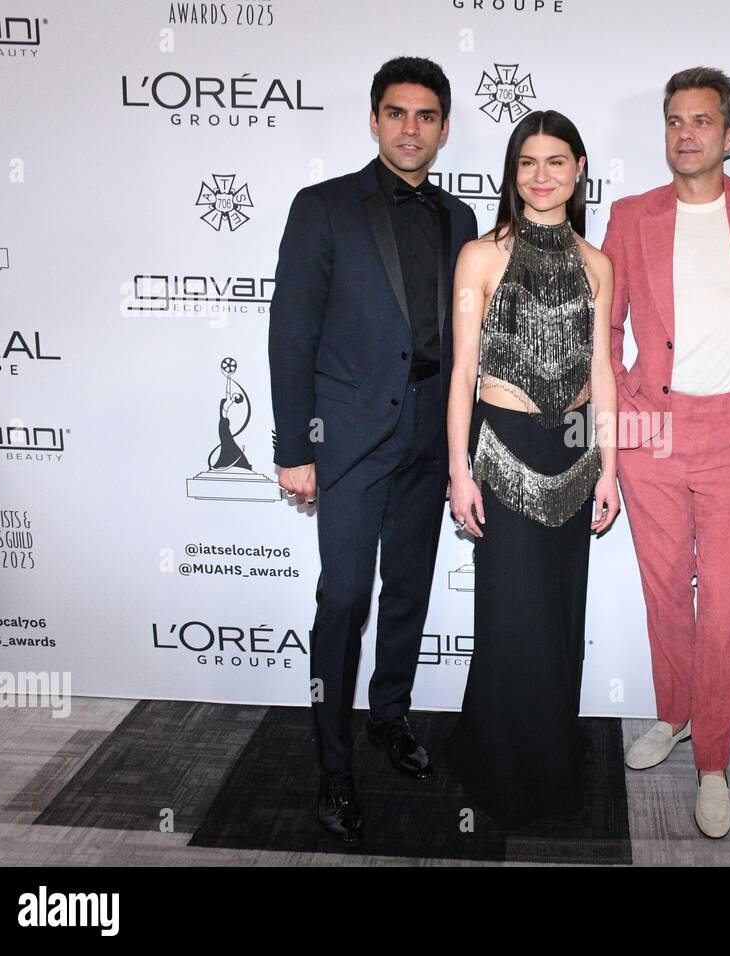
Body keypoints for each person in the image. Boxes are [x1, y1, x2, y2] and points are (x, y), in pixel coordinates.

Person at [268, 56, 477, 843]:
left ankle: (389, 717)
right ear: (374, 119)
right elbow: (292, 332)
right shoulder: (322, 207)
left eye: (426, 115)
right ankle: (333, 765)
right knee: (344, 599)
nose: (411, 128)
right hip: (348, 439)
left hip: (431, 432)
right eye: (397, 113)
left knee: (409, 593)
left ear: (444, 127)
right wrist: (295, 446)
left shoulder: (459, 219)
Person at [604, 67, 730, 838]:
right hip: (651, 429)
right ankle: (674, 714)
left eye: (702, 121)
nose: (687, 134)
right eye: (676, 121)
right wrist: (626, 404)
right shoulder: (630, 214)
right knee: (661, 591)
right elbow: (603, 326)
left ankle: (712, 759)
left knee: (721, 601)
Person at [445, 109, 619, 827]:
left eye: (557, 161)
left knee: (556, 616)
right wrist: (457, 468)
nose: (542, 176)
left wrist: (610, 468)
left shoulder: (598, 261)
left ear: (579, 170)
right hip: (502, 447)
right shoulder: (480, 257)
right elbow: (462, 371)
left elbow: (602, 371)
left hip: (576, 452)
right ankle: (500, 769)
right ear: (511, 173)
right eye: (527, 162)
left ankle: (547, 760)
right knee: (510, 618)